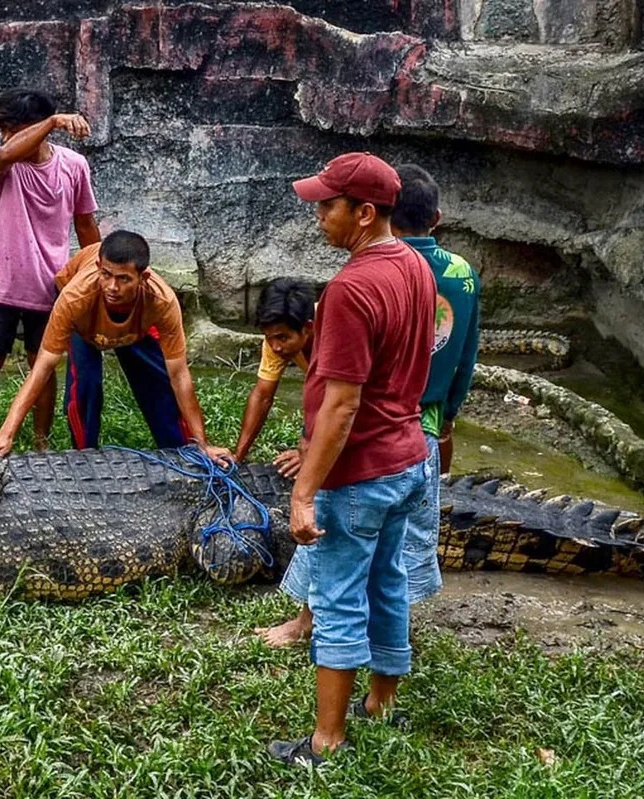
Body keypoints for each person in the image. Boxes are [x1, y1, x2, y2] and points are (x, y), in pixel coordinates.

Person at [265, 153, 435, 767]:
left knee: (337, 598)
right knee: (388, 582)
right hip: (409, 458)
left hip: (361, 471)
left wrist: (305, 491)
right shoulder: (415, 265)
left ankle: (326, 741)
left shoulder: (348, 289)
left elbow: (341, 405)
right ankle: (381, 703)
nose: (318, 216)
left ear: (364, 213)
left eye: (327, 205)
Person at [0, 230, 232, 464]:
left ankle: (181, 453)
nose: (112, 287)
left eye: (123, 278)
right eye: (106, 275)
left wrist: (203, 443)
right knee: (87, 385)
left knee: (160, 385)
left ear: (142, 278)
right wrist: (6, 433)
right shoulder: (74, 298)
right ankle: (84, 457)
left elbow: (179, 374)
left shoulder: (161, 301)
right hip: (85, 325)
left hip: (135, 328)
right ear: (98, 269)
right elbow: (42, 367)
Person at [0, 88, 100, 449]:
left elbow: (85, 224)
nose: (5, 137)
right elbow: (7, 153)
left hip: (50, 284)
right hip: (0, 285)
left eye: (13, 129)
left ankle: (42, 442)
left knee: (43, 366)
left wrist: (97, 272)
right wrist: (54, 121)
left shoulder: (73, 166)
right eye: (3, 130)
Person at [391, 163, 481, 604]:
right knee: (416, 528)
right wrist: (448, 417)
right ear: (438, 218)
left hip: (379, 417)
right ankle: (396, 626)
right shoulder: (463, 273)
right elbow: (467, 356)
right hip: (427, 422)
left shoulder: (381, 270)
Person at [233, 278, 317, 474]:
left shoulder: (341, 332)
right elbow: (262, 396)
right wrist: (238, 456)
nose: (275, 347)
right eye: (268, 337)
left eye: (283, 338)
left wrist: (311, 449)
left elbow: (344, 400)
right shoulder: (275, 340)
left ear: (308, 328)